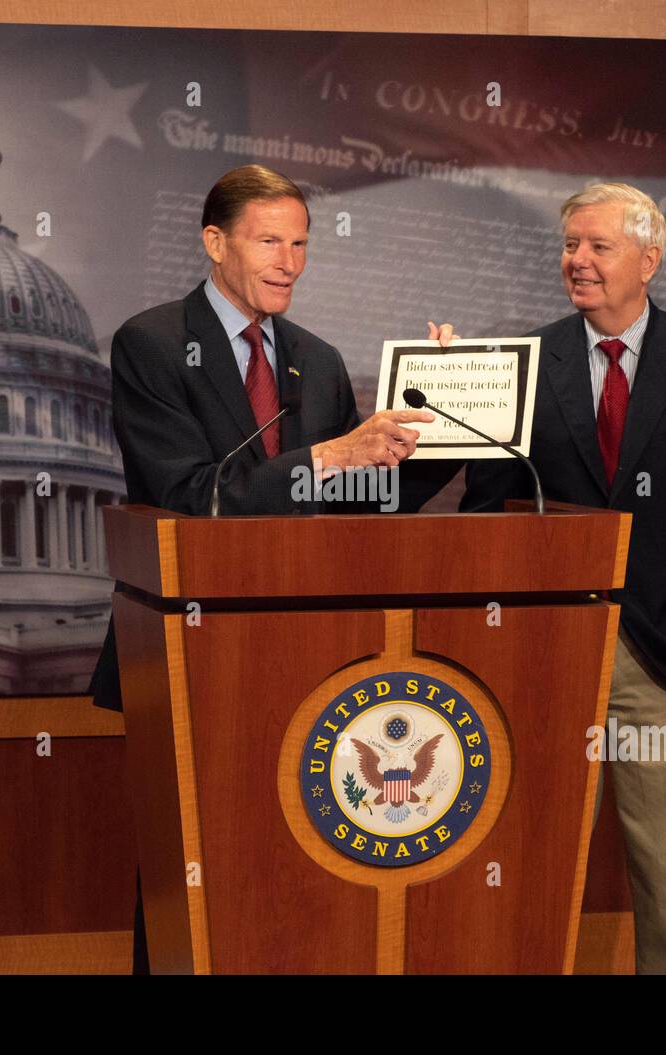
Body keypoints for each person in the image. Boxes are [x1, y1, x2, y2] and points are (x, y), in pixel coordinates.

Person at [403, 182, 666, 973]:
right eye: (570, 244)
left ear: (649, 259)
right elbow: (484, 512)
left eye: (598, 246)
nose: (577, 259)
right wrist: (440, 395)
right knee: (526, 863)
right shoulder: (522, 361)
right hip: (545, 658)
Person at [88, 163, 451, 970]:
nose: (289, 262)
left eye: (300, 244)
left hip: (315, 659)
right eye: (269, 242)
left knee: (305, 876)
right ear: (215, 242)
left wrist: (434, 426)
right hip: (195, 652)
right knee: (196, 874)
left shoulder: (316, 360)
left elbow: (361, 503)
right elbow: (190, 494)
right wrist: (329, 456)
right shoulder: (153, 344)